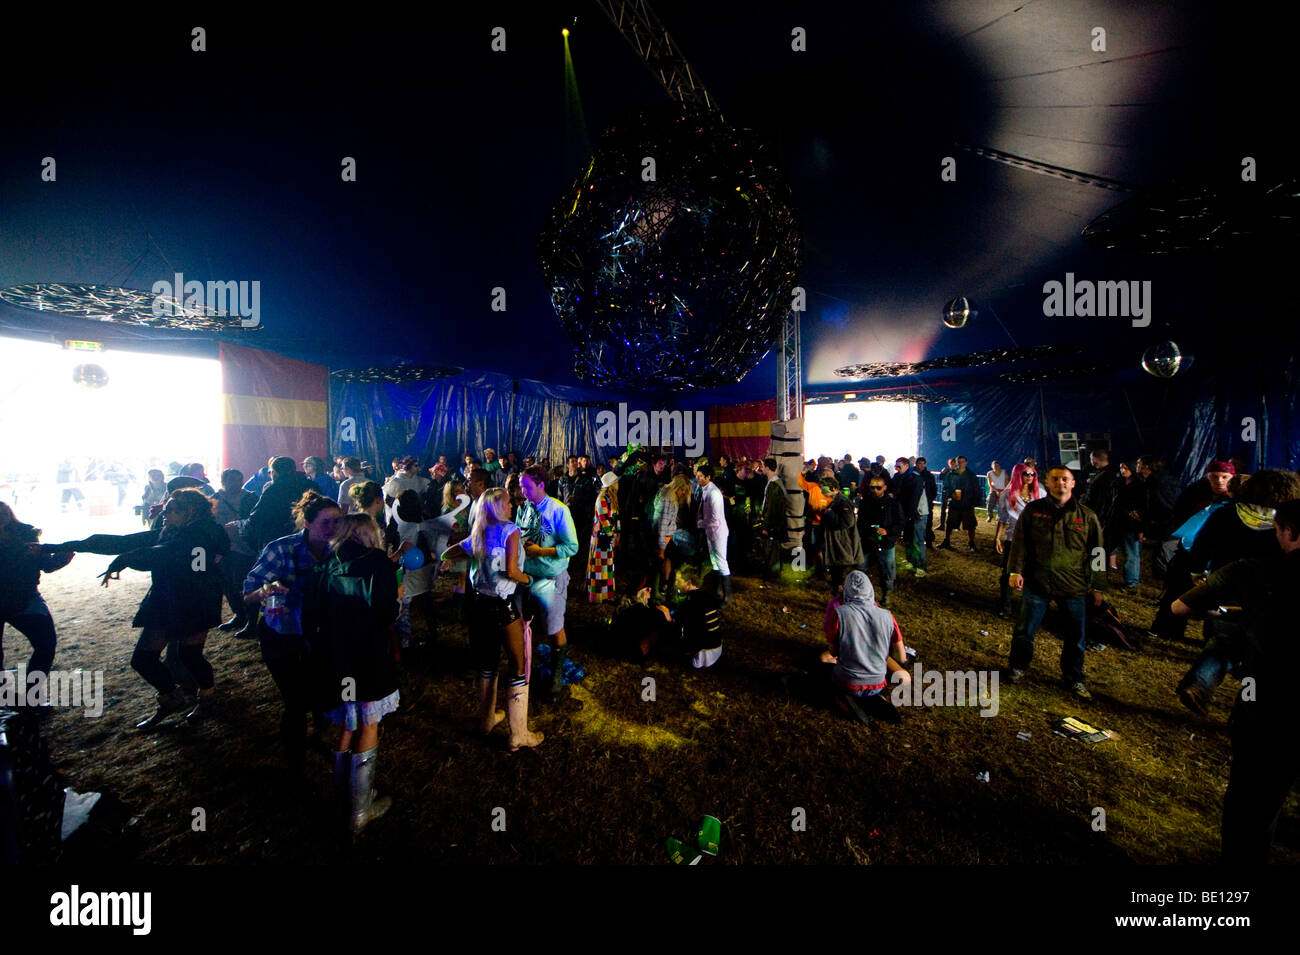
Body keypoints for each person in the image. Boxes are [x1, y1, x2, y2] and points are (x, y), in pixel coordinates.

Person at [1171, 500, 1300, 862]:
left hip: (1273, 710)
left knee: (1252, 805)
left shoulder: (1255, 571)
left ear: (1288, 532)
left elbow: (1180, 608)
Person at [98, 489, 230, 726]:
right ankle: (171, 698)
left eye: (170, 509)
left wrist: (127, 558)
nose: (164, 512)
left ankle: (207, 698)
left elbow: (177, 556)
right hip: (167, 599)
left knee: (189, 656)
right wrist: (57, 546)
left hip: (194, 602)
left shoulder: (203, 532)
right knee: (143, 659)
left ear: (190, 511)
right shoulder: (170, 531)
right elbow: (125, 542)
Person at [310, 514, 400, 837]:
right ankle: (360, 811)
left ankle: (343, 799)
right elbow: (387, 611)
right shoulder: (376, 561)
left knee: (345, 720)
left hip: (335, 657)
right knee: (367, 721)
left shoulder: (326, 562)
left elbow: (313, 613)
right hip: (368, 656)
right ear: (367, 533)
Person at [244, 491, 343, 769]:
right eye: (326, 522)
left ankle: (321, 734)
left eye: (338, 521)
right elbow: (248, 593)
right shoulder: (279, 549)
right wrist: (264, 591)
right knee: (295, 701)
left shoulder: (340, 550)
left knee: (323, 691)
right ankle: (294, 761)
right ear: (307, 523)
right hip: (281, 636)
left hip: (321, 635)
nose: (333, 529)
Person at [442, 488, 541, 750]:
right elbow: (512, 571)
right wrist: (530, 579)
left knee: (487, 663)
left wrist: (470, 558)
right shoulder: (511, 530)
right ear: (498, 507)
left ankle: (486, 720)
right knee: (517, 663)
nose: (512, 506)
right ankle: (518, 734)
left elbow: (447, 553)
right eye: (508, 503)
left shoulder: (478, 531)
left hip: (478, 606)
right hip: (502, 606)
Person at [1005, 464, 1106, 700]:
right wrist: (1014, 571)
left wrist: (1098, 585)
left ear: (1073, 483)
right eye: (1055, 479)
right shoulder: (1033, 511)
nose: (1060, 483)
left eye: (1065, 479)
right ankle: (1017, 668)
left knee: (1075, 637)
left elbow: (1097, 553)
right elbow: (1020, 543)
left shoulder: (1087, 516)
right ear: (1047, 483)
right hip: (1037, 583)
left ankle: (1074, 678)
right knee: (1024, 631)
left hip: (1074, 587)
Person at [516, 466, 579, 703]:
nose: (522, 491)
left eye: (527, 486)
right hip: (524, 578)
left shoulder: (559, 511)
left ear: (541, 485)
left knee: (554, 628)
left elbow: (572, 547)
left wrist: (541, 550)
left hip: (551, 579)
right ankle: (525, 673)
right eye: (521, 486)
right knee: (522, 624)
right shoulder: (525, 508)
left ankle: (555, 681)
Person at [0, 503, 73, 698]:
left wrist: (61, 558)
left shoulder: (25, 534)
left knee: (46, 644)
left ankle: (31, 697)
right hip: (20, 598)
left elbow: (45, 564)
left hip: (25, 598)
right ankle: (7, 699)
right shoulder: (24, 536)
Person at [822, 570, 907, 724]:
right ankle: (873, 698)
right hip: (877, 682)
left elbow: (834, 652)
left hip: (847, 681)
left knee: (822, 670)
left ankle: (847, 699)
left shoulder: (839, 613)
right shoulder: (888, 615)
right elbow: (902, 657)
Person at [994, 464, 1045, 617]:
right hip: (1014, 539)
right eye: (1026, 474)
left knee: (1032, 574)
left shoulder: (1040, 493)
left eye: (1032, 474)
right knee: (1009, 572)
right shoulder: (1007, 494)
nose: (1029, 477)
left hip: (1036, 541)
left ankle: (1027, 607)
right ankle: (1005, 605)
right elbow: (1002, 519)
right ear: (1018, 475)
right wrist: (998, 538)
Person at [213, 469, 257, 633]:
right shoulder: (215, 499)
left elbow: (255, 520)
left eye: (238, 480)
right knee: (227, 584)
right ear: (224, 481)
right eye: (231, 480)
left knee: (243, 584)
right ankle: (239, 614)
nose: (235, 484)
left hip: (243, 547)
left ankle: (250, 618)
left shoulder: (250, 498)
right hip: (223, 547)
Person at [243, 456, 316, 553]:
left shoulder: (273, 490)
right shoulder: (311, 485)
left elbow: (257, 516)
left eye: (271, 472)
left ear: (275, 473)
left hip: (279, 540)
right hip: (308, 536)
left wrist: (244, 526)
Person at [857, 473, 903, 607]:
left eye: (878, 487)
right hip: (868, 541)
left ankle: (886, 595)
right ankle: (861, 595)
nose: (875, 490)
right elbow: (860, 522)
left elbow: (900, 522)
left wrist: (887, 531)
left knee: (887, 571)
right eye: (872, 487)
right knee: (861, 568)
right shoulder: (866, 502)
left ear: (884, 488)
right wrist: (866, 531)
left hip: (886, 542)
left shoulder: (893, 503)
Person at [695, 464, 733, 604]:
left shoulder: (714, 493)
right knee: (714, 561)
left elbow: (715, 519)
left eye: (700, 476)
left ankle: (727, 597)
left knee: (722, 561)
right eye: (697, 476)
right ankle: (717, 591)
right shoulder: (704, 490)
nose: (697, 478)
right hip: (710, 531)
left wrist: (701, 523)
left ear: (708, 477)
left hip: (717, 532)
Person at [653, 474, 692, 600]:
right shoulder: (669, 497)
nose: (683, 493)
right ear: (678, 487)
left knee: (665, 560)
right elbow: (663, 522)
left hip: (666, 535)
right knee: (659, 563)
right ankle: (658, 590)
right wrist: (662, 546)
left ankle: (663, 587)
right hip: (663, 536)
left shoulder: (666, 492)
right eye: (683, 490)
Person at [820, 477, 863, 591]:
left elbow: (847, 522)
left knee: (840, 567)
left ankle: (840, 589)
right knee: (836, 567)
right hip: (837, 540)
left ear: (832, 488)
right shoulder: (835, 501)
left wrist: (829, 514)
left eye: (823, 488)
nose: (821, 491)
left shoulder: (843, 502)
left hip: (842, 541)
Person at [587, 470, 620, 602]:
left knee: (608, 566)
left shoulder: (612, 498)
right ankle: (598, 596)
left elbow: (616, 517)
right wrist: (612, 535)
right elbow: (604, 519)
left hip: (608, 537)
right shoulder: (601, 499)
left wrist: (617, 533)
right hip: (602, 538)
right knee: (599, 567)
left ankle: (607, 594)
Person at [891, 458, 927, 578]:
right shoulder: (903, 477)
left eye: (899, 466)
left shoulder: (914, 478)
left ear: (906, 465)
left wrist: (911, 514)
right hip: (909, 513)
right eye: (896, 466)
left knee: (917, 540)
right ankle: (911, 562)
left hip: (917, 513)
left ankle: (921, 566)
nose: (896, 468)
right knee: (909, 539)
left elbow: (914, 498)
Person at [939, 456, 980, 551]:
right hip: (955, 503)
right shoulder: (951, 474)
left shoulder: (971, 475)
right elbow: (947, 486)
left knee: (971, 525)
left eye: (963, 462)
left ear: (966, 462)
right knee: (950, 523)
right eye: (959, 462)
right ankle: (947, 540)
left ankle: (971, 542)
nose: (961, 463)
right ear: (956, 463)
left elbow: (976, 489)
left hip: (967, 503)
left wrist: (975, 501)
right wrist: (950, 494)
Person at [759, 458, 787, 581]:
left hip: (774, 525)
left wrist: (766, 526)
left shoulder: (774, 485)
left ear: (768, 468)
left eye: (763, 466)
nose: (761, 469)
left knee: (772, 550)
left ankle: (772, 575)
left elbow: (771, 508)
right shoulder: (776, 483)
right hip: (776, 523)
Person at [915, 457, 938, 547]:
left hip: (927, 503)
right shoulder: (913, 475)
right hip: (916, 503)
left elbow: (934, 489)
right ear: (916, 464)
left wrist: (930, 499)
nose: (921, 465)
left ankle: (928, 540)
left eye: (923, 463)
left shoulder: (929, 476)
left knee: (928, 522)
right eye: (920, 463)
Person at [936, 458, 956, 531]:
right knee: (943, 508)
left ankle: (953, 525)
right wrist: (942, 472)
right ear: (949, 464)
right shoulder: (946, 471)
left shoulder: (957, 472)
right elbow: (940, 478)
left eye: (954, 464)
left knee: (954, 509)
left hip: (953, 491)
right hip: (946, 491)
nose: (953, 465)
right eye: (951, 463)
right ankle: (942, 524)